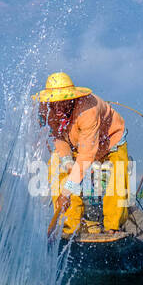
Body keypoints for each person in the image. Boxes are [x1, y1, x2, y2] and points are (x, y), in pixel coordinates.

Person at [33, 72, 129, 235]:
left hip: (110, 141)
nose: (57, 108)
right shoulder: (48, 109)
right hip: (78, 143)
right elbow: (58, 137)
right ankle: (70, 226)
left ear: (71, 99)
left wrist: (67, 190)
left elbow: (85, 158)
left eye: (62, 103)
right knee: (56, 167)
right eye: (53, 103)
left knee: (117, 177)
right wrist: (67, 161)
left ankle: (112, 227)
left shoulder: (87, 111)